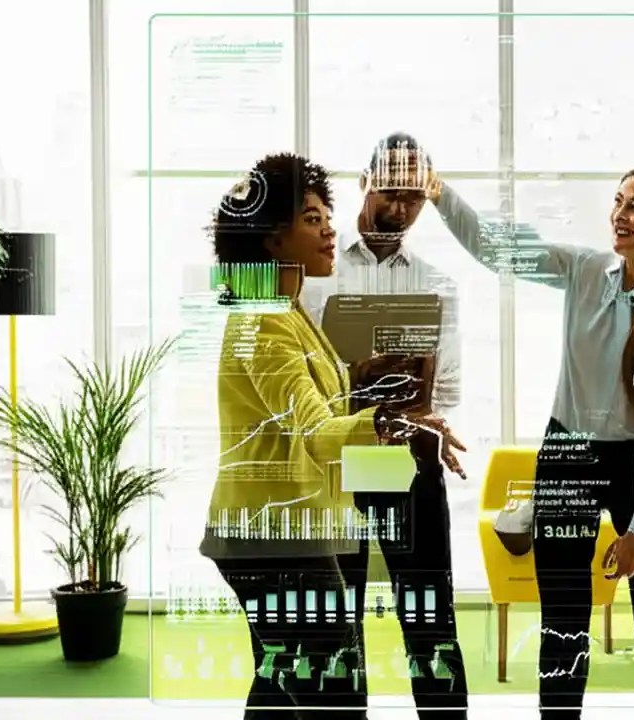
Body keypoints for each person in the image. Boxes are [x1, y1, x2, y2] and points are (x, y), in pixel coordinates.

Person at [429, 165, 634, 719]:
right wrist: (440, 193)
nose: (620, 215)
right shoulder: (585, 269)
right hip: (569, 453)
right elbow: (497, 250)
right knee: (562, 615)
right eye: (618, 201)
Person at [201, 152, 464, 720]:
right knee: (337, 697)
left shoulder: (287, 311)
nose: (327, 230)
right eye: (312, 219)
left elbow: (319, 400)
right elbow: (316, 432)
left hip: (287, 527)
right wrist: (392, 421)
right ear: (273, 240)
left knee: (281, 688)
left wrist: (371, 384)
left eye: (326, 216)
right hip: (275, 536)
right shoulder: (264, 316)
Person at [301, 132, 470, 719]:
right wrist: (358, 385)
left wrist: (422, 411)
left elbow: (446, 388)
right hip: (337, 465)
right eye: (390, 192)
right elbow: (299, 382)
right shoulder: (315, 273)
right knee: (335, 615)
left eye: (414, 198)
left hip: (409, 459)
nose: (399, 209)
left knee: (429, 613)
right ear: (364, 183)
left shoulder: (438, 282)